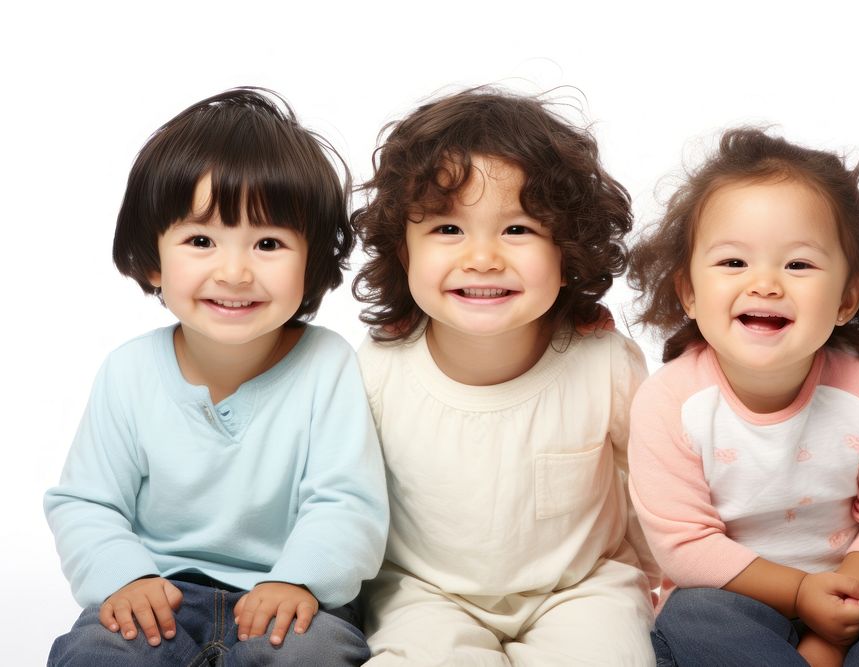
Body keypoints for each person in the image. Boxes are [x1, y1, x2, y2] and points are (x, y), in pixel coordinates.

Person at [44, 88, 389, 666]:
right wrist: (123, 578)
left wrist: (299, 580)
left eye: (269, 243)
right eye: (201, 241)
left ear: (312, 264)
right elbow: (87, 503)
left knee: (317, 655)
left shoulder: (328, 365)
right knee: (98, 651)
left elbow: (347, 501)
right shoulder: (129, 371)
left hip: (292, 602)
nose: (234, 272)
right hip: (158, 593)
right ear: (153, 256)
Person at [627, 128, 859, 666]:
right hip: (731, 594)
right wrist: (800, 596)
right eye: (733, 263)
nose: (766, 284)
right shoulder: (671, 402)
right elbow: (684, 545)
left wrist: (834, 622)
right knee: (694, 623)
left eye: (798, 264)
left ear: (847, 297)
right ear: (688, 292)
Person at [351, 87, 659, 665]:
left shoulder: (604, 361)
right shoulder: (378, 369)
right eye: (448, 230)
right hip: (426, 593)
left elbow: (648, 487)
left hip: (581, 588)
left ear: (567, 249)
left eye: (518, 229)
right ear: (402, 249)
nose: (483, 257)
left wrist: (667, 580)